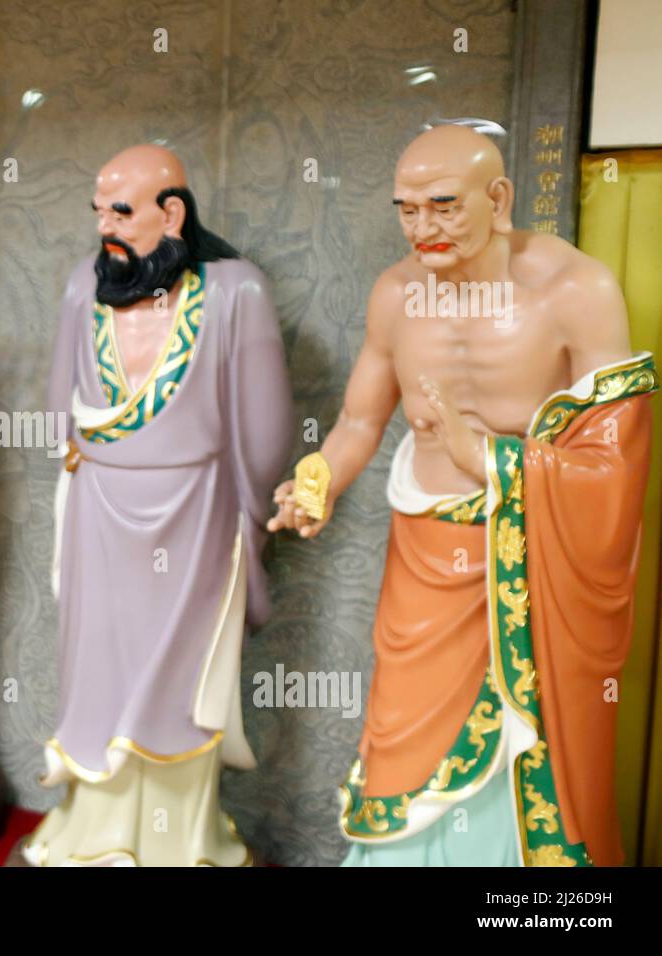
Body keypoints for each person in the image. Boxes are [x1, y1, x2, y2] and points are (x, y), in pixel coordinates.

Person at [269, 124, 654, 866]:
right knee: (403, 740)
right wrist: (319, 479)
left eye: (444, 205)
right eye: (407, 210)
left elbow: (617, 460)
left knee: (532, 738)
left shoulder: (576, 291)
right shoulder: (395, 295)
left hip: (536, 562)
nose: (423, 228)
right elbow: (358, 420)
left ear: (500, 198)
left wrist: (494, 461)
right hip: (423, 561)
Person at [22, 144, 294, 866]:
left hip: (197, 509)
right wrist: (71, 456)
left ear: (173, 212)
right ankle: (93, 835)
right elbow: (59, 403)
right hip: (99, 507)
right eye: (98, 210)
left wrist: (250, 512)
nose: (105, 225)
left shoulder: (236, 291)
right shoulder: (86, 283)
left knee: (180, 681)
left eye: (122, 210)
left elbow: (265, 430)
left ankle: (181, 843)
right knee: (97, 671)